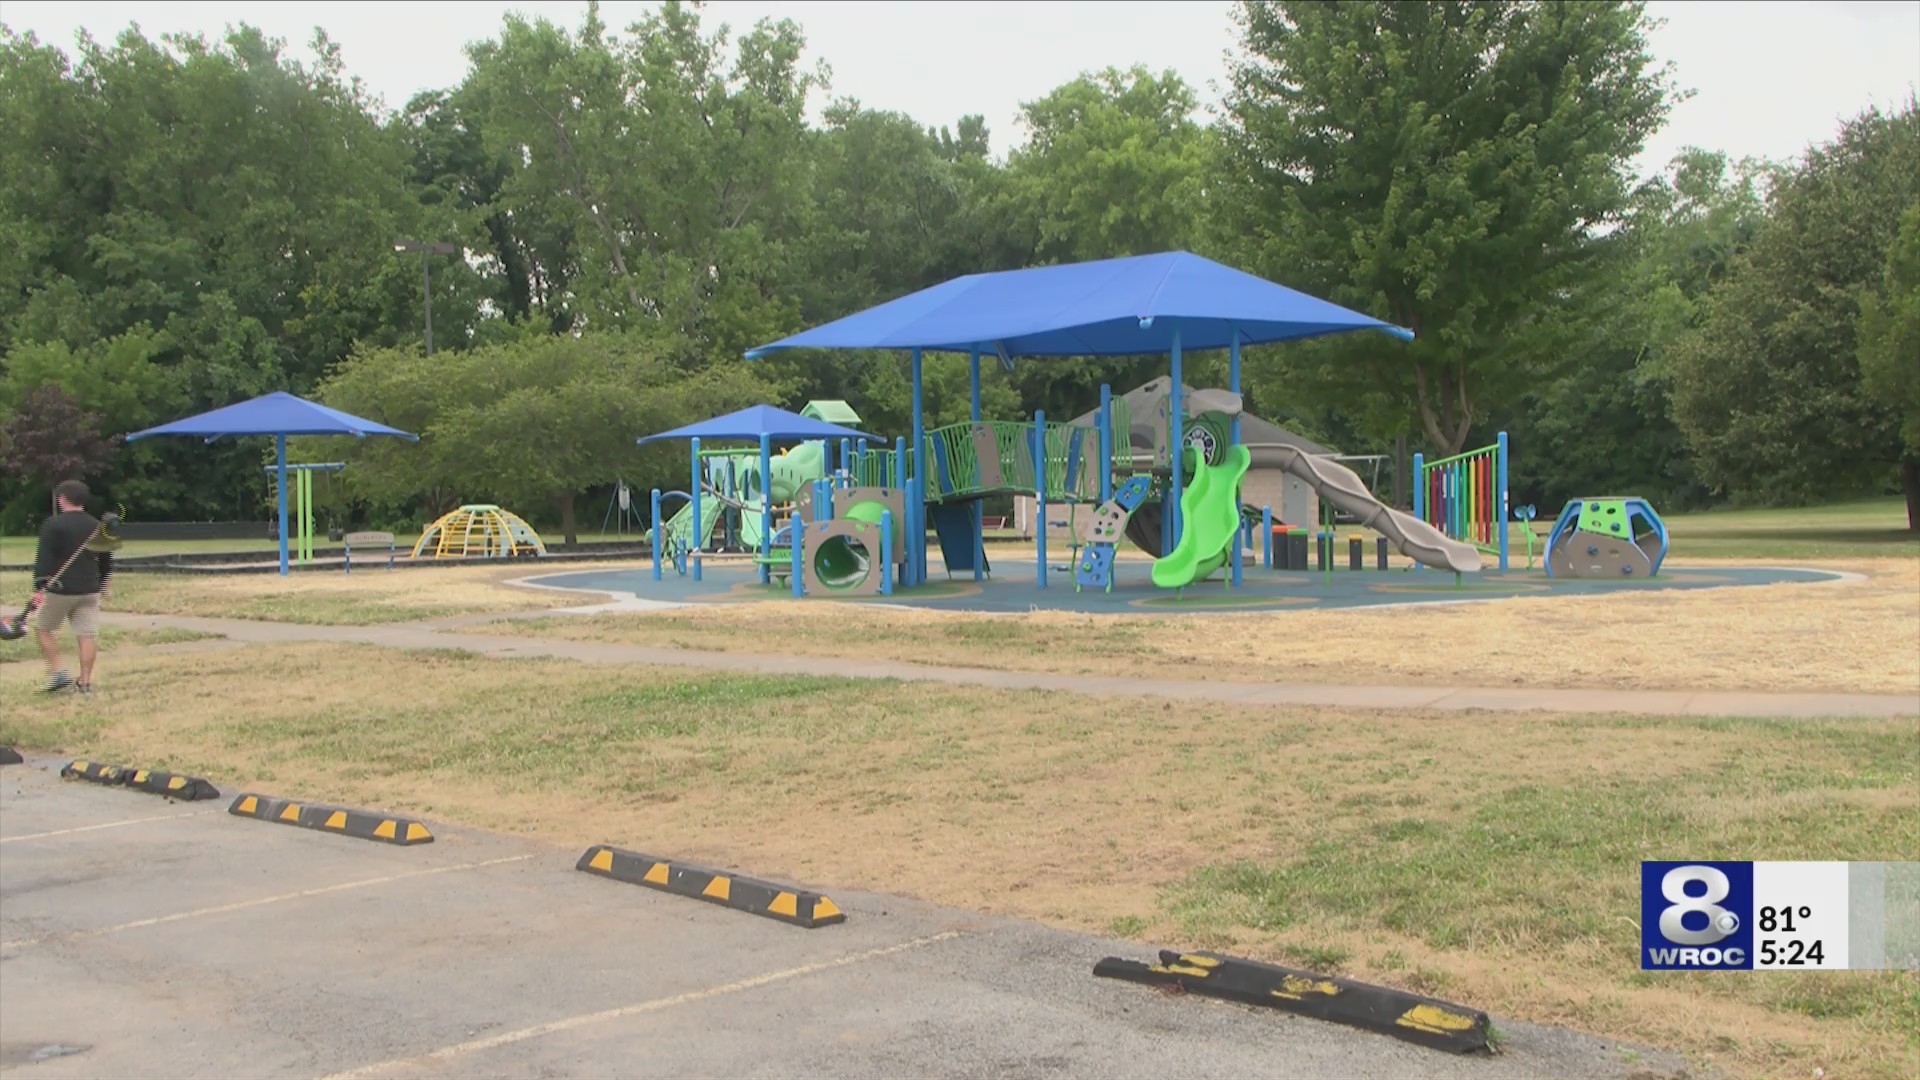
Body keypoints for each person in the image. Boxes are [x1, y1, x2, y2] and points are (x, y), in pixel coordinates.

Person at [32, 479, 114, 694]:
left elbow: (45, 559)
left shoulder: (52, 524)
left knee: (43, 628)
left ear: (62, 499)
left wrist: (39, 584)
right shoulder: (98, 525)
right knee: (87, 635)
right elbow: (106, 561)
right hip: (89, 588)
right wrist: (104, 584)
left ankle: (58, 671)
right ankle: (85, 682)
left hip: (61, 589)